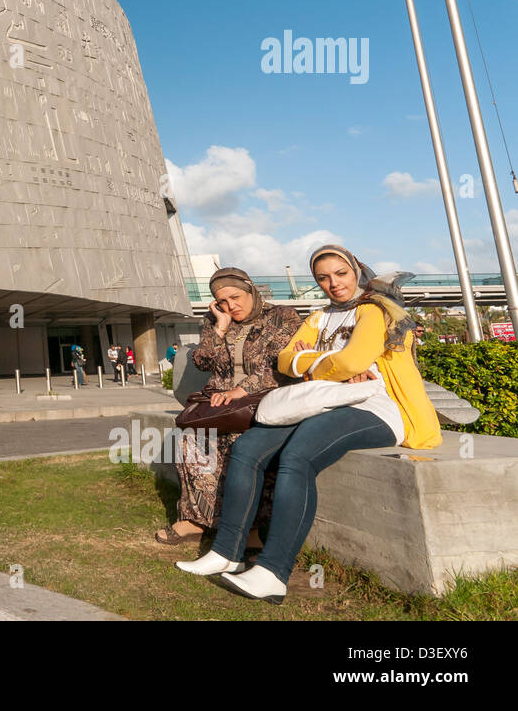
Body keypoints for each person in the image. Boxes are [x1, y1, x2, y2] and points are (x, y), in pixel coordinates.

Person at [178, 245, 442, 604]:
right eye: (323, 278)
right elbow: (286, 360)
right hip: (321, 402)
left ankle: (273, 571)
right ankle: (227, 551)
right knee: (247, 448)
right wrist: (325, 363)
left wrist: (312, 358)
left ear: (356, 271)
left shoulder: (375, 311)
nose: (333, 284)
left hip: (378, 407)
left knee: (299, 455)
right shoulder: (319, 316)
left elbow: (353, 360)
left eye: (340, 274)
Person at [156, 267, 301, 546]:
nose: (230, 306)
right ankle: (196, 519)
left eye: (235, 297)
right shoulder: (214, 320)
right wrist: (220, 328)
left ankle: (251, 530)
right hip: (221, 404)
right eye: (222, 301)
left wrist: (241, 390)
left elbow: (282, 364)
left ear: (250, 290)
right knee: (191, 441)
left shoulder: (283, 317)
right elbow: (202, 361)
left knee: (243, 445)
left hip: (265, 402)